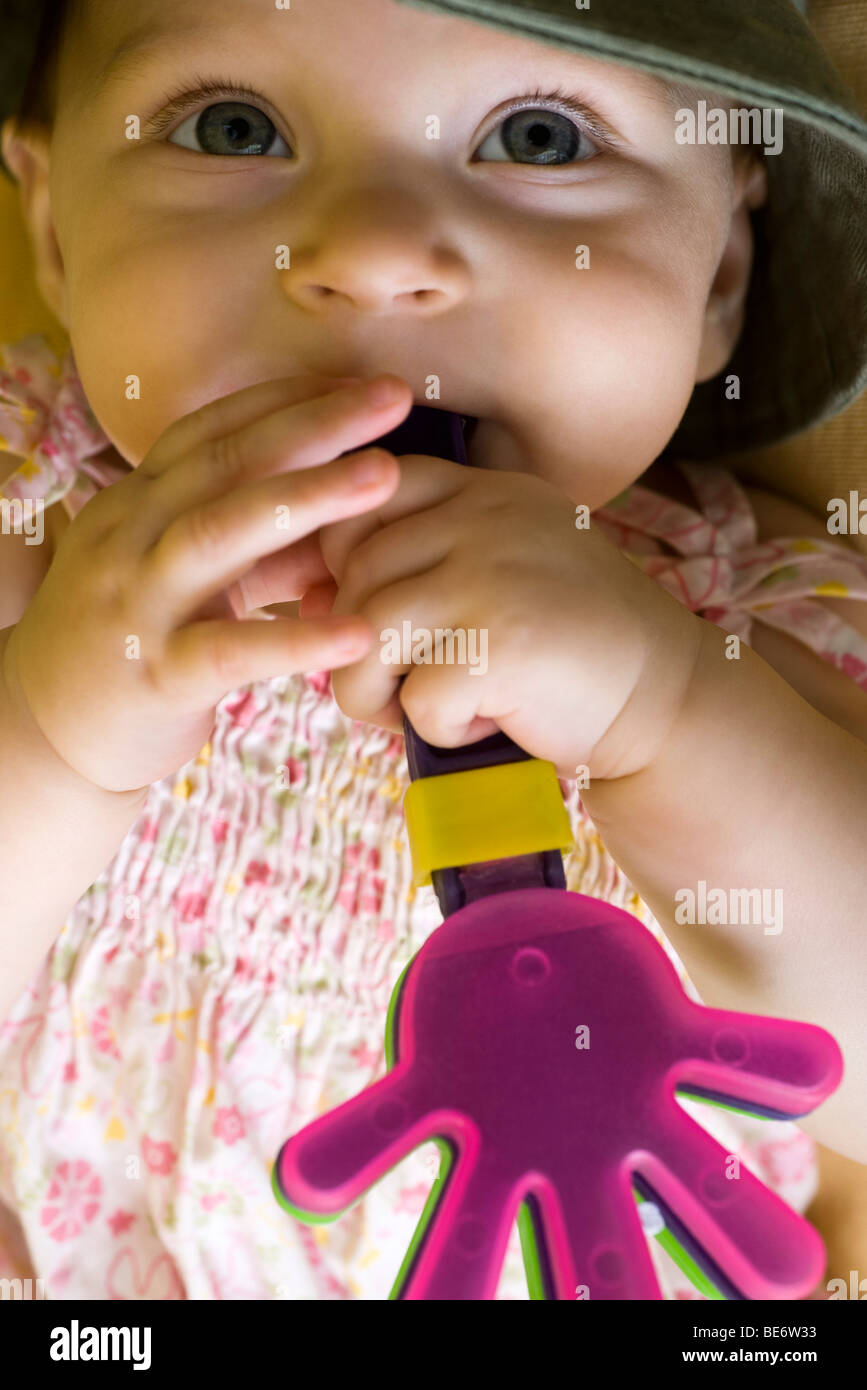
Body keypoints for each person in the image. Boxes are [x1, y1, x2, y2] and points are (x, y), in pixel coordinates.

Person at [0, 0, 865, 1299]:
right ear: (56, 228)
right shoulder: (29, 513)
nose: (374, 253)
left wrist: (668, 710)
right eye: (234, 126)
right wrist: (47, 735)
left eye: (537, 135)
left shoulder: (738, 622)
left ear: (720, 278)